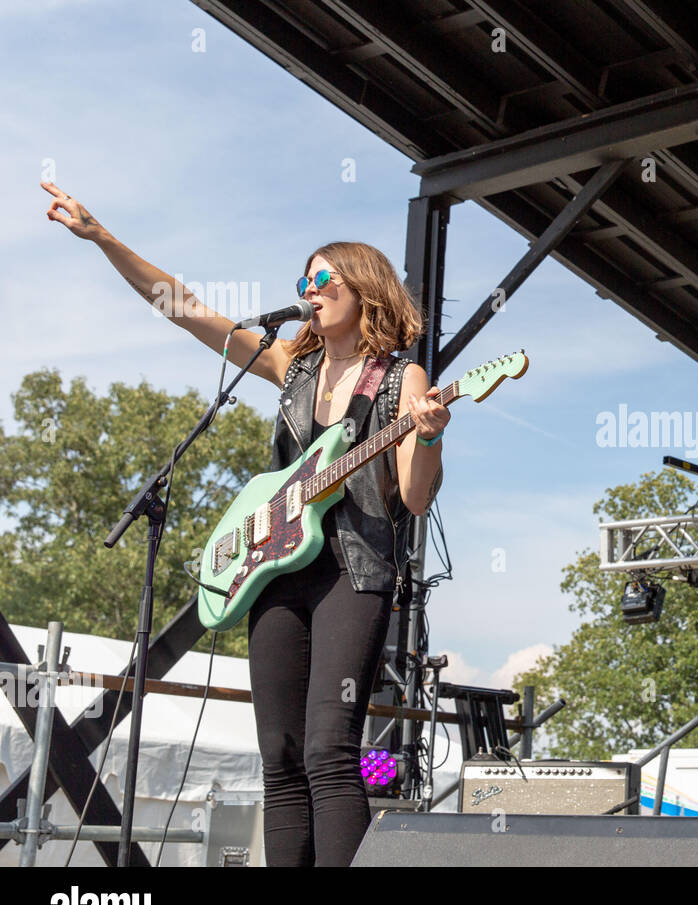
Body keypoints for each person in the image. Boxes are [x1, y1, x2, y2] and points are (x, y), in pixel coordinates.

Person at [42, 182, 448, 866]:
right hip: (275, 569)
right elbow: (187, 310)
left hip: (353, 570)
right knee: (280, 755)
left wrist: (429, 436)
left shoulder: (402, 379)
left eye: (324, 278)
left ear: (365, 288)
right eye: (305, 279)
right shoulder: (294, 368)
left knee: (327, 748)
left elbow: (412, 497)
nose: (309, 289)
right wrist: (103, 237)